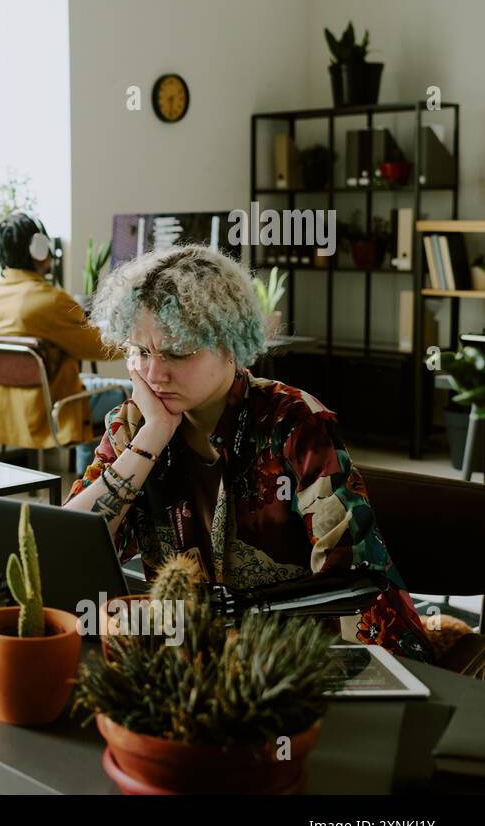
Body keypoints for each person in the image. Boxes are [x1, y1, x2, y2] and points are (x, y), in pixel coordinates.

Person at [65, 244, 433, 662]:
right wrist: (150, 440)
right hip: (191, 666)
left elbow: (353, 582)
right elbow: (69, 548)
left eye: (176, 353)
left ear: (230, 343)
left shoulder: (293, 423)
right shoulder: (134, 425)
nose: (154, 374)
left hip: (296, 664)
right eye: (142, 352)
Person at [0, 213, 121, 457]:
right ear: (39, 249)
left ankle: (87, 481)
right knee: (139, 395)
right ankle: (97, 486)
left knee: (86, 384)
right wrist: (138, 341)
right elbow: (99, 348)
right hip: (53, 410)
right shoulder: (50, 300)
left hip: (0, 414)